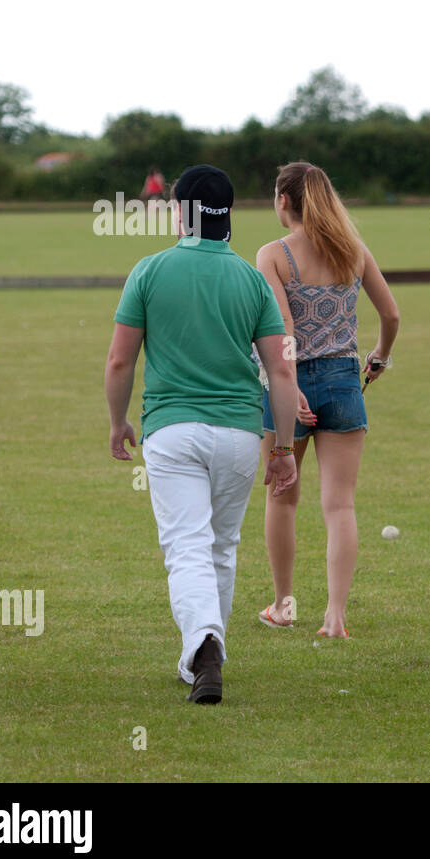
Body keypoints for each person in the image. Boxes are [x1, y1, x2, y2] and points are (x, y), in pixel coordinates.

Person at [106, 164, 298, 704]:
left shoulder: (149, 270)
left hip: (170, 431)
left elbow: (121, 362)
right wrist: (282, 448)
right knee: (220, 546)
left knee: (186, 546)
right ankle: (204, 653)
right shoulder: (252, 279)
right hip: (239, 434)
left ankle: (204, 647)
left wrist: (118, 420)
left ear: (181, 211)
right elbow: (281, 372)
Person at [256, 162, 400, 637]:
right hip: (343, 380)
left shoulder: (272, 254)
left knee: (283, 495)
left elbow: (282, 325)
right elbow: (391, 314)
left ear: (284, 201)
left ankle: (283, 605)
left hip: (287, 384)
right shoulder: (352, 250)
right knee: (340, 506)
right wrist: (379, 356)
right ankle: (335, 617)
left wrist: (291, 383)